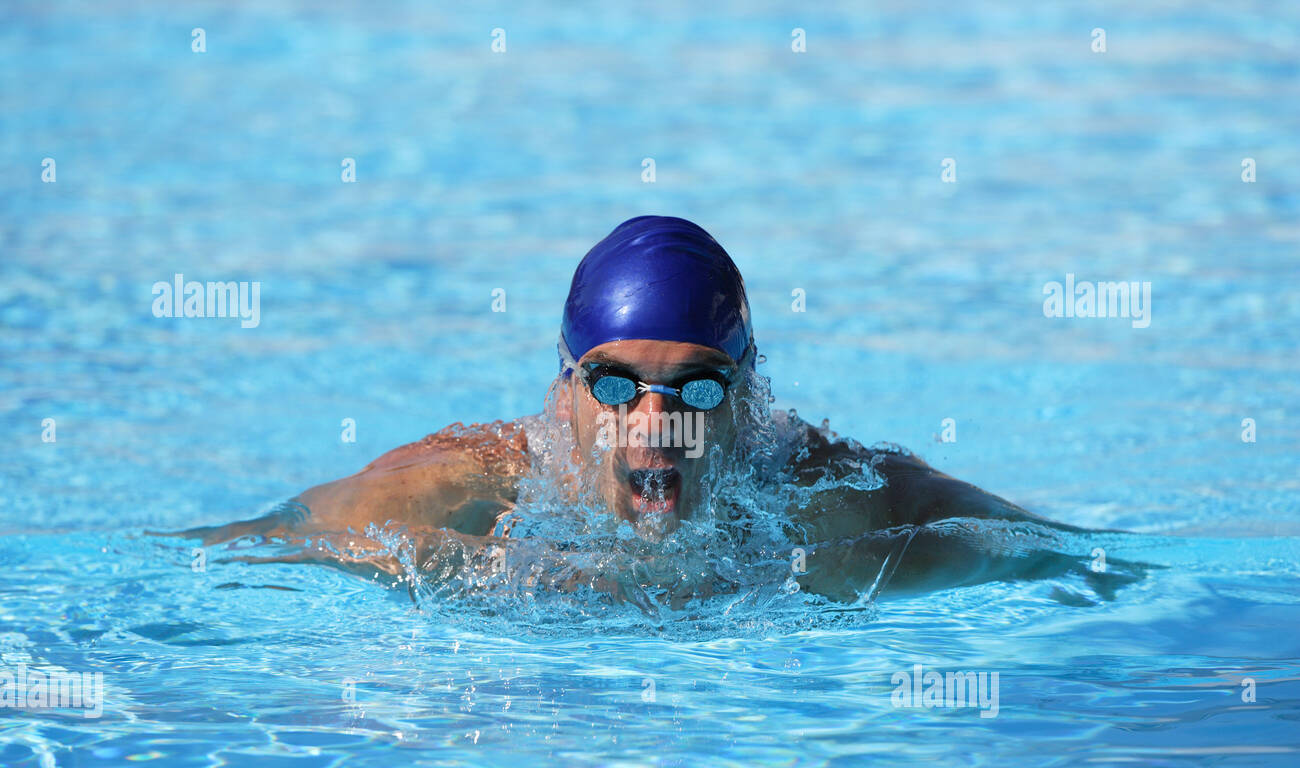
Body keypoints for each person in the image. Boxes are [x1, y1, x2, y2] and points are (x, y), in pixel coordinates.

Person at [185, 216, 1139, 602]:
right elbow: (209, 567)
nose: (653, 423)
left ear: (750, 401)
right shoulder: (441, 504)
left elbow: (1083, 562)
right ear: (563, 394)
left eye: (697, 386)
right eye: (612, 384)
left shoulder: (847, 509)